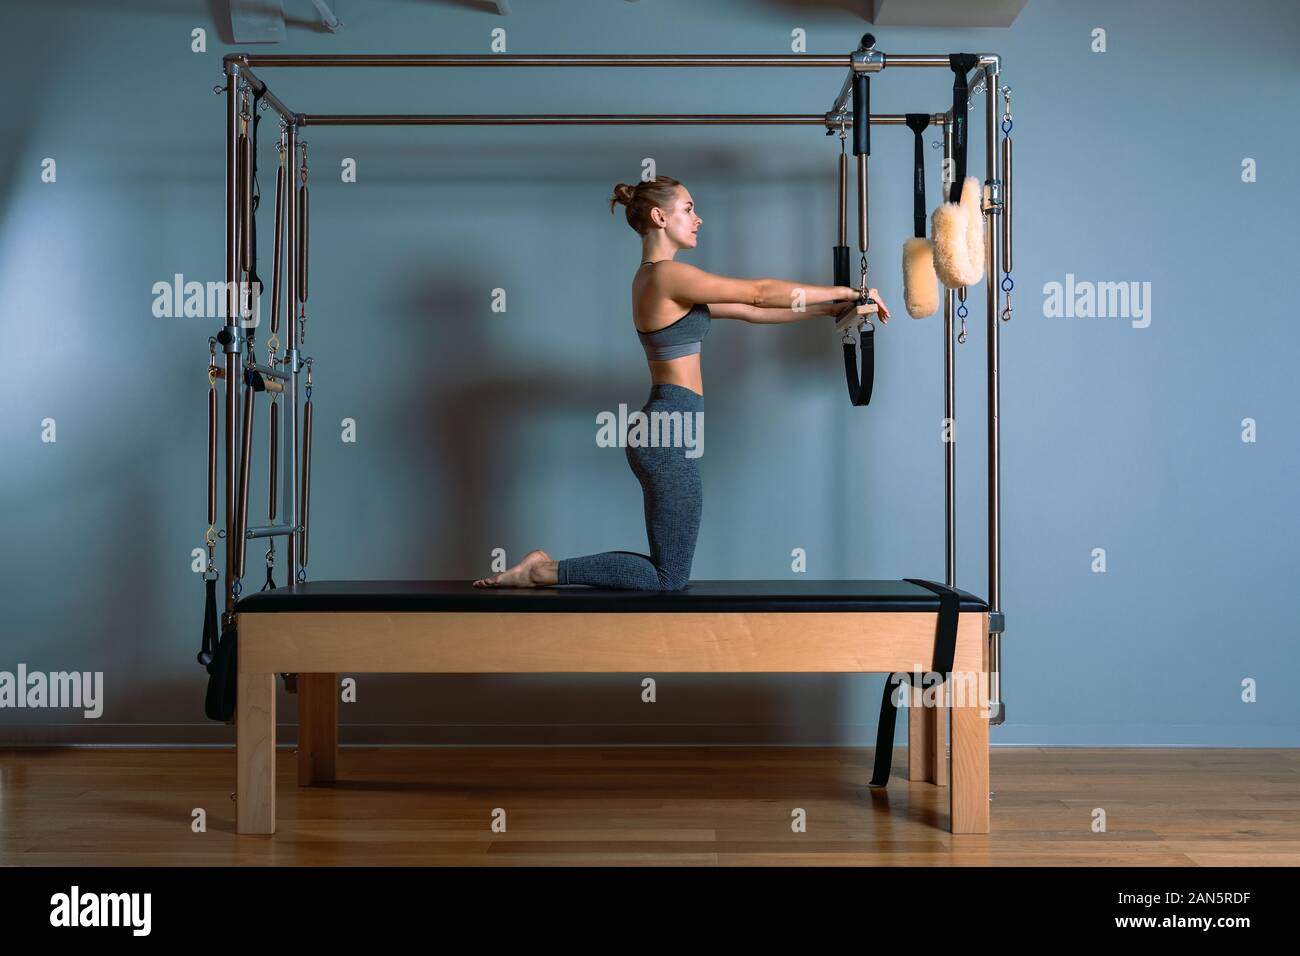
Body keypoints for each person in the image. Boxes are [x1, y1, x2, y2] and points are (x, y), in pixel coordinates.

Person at [473, 176, 890, 589]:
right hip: (666, 435)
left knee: (667, 572)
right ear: (659, 216)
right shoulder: (666, 276)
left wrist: (836, 309)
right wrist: (848, 289)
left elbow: (753, 311)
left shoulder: (658, 280)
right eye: (689, 209)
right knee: (668, 578)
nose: (699, 219)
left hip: (667, 430)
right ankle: (540, 571)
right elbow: (760, 292)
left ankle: (542, 569)